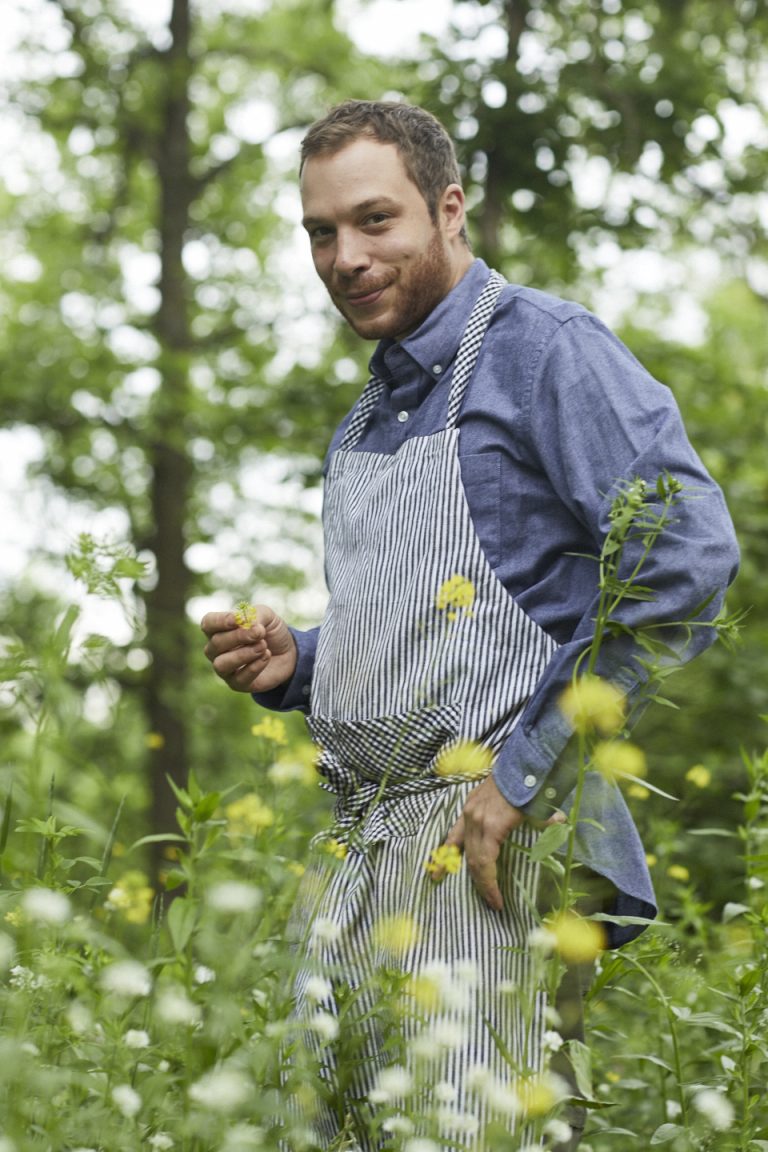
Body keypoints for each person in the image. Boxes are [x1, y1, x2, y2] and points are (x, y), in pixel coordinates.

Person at [201, 99, 739, 1150]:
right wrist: (303, 661)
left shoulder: (544, 350)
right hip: (371, 854)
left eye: (374, 221)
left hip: (492, 846)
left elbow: (689, 562)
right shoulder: (367, 415)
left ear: (449, 210)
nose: (345, 257)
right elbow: (453, 620)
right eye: (321, 232)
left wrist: (523, 776)